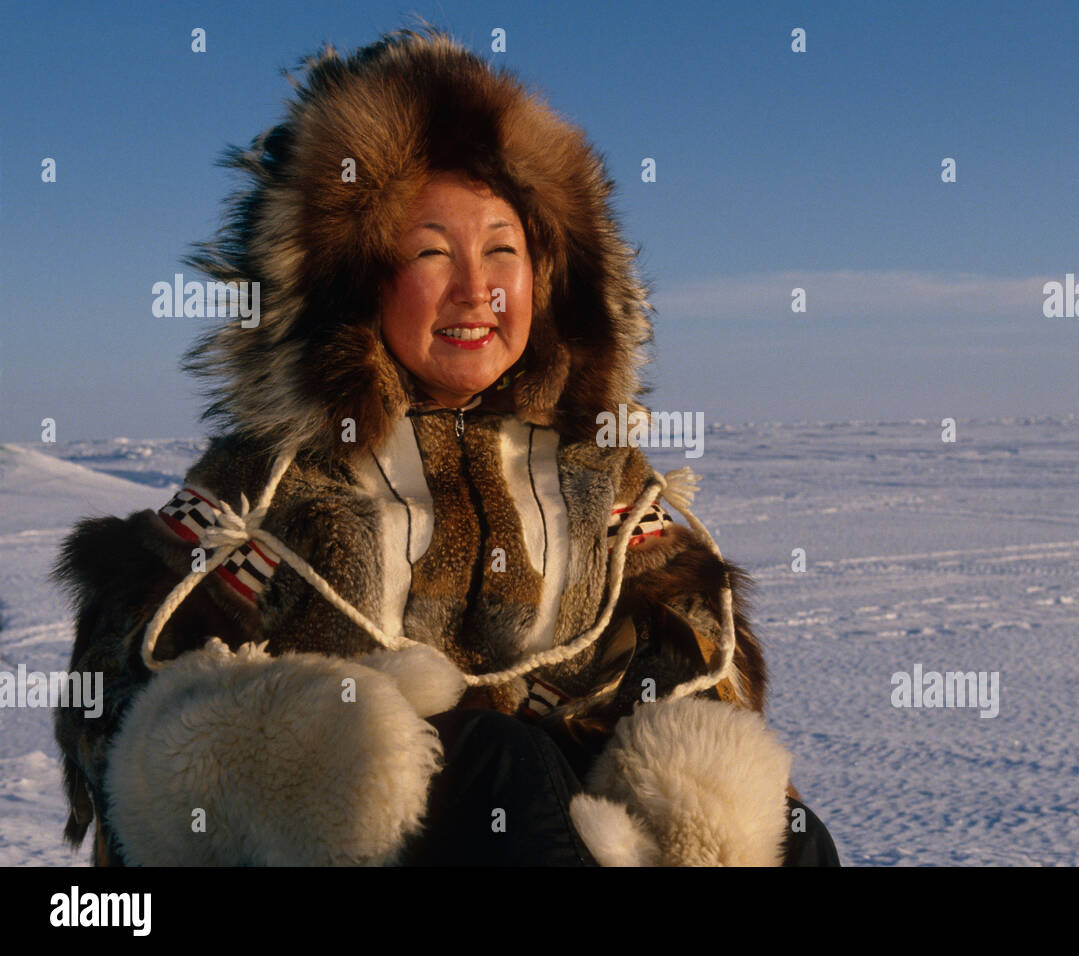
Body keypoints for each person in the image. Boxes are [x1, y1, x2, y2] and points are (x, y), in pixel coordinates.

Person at [52, 26, 840, 867]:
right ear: (357, 279)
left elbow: (700, 668)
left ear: (547, 272)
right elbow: (123, 706)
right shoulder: (272, 483)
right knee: (501, 765)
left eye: (504, 248)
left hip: (584, 830)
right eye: (431, 252)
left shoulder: (601, 475)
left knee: (787, 836)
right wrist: (329, 752)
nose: (478, 289)